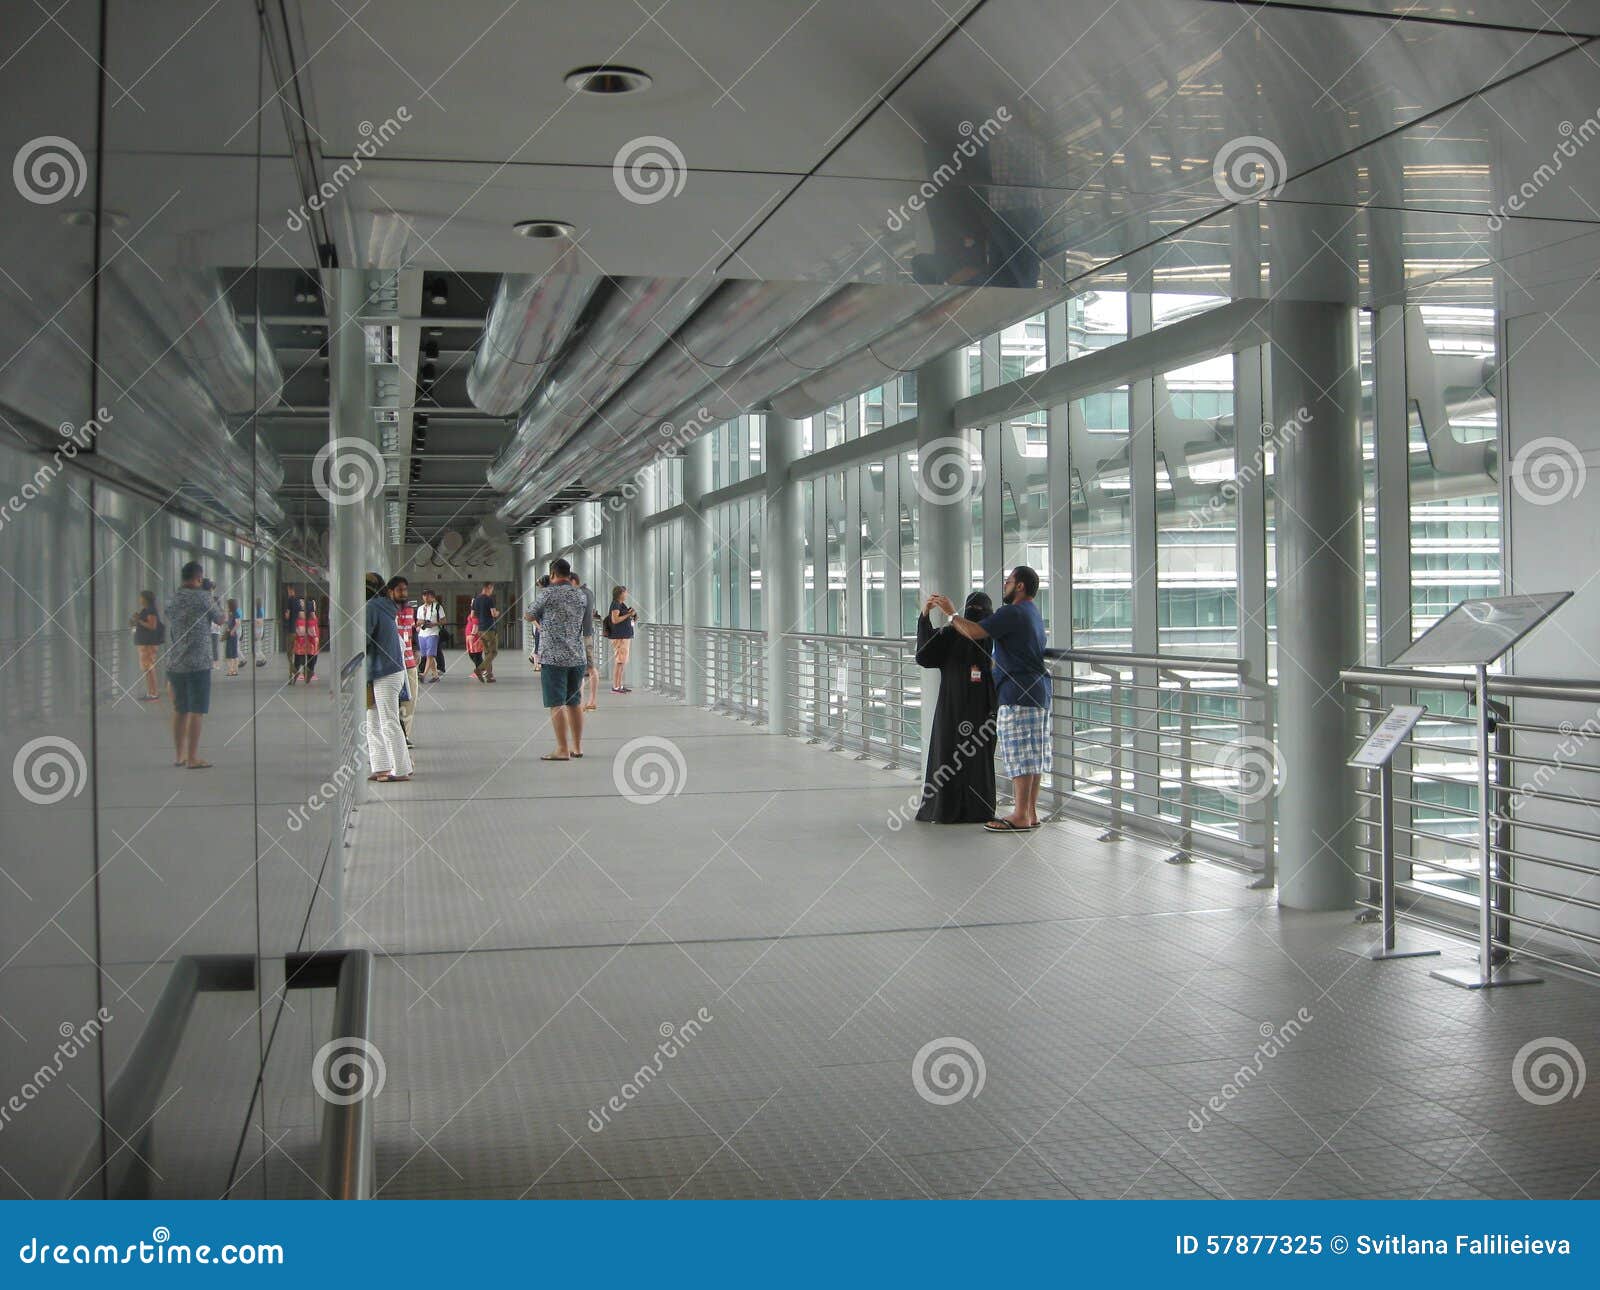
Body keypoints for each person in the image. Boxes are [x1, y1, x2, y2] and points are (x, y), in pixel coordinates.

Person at [935, 565, 1051, 832]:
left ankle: (1020, 814)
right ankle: (1030, 812)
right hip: (1038, 691)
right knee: (1033, 754)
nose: (1005, 586)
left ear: (1020, 586)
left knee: (1019, 753)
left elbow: (974, 632)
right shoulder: (1033, 612)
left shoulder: (1012, 612)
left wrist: (951, 614)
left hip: (1017, 692)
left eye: (1008, 581)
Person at [914, 591, 998, 823]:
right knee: (975, 758)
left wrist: (928, 617)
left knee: (949, 754)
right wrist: (925, 615)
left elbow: (924, 654)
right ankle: (977, 809)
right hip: (980, 707)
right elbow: (924, 655)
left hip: (952, 706)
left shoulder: (968, 633)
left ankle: (945, 808)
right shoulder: (971, 633)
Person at [525, 557, 591, 760]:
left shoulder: (548, 593)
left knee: (556, 703)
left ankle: (562, 749)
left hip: (553, 657)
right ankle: (577, 747)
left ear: (552, 574)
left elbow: (529, 614)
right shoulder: (580, 595)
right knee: (575, 702)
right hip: (577, 655)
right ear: (569, 574)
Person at [164, 561, 225, 768]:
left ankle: (178, 755)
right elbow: (220, 618)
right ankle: (192, 758)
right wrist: (213, 596)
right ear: (199, 578)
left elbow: (170, 615)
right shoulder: (203, 596)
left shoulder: (173, 599)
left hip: (175, 662)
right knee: (196, 710)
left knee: (179, 709)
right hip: (198, 662)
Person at [365, 571, 412, 783]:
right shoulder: (383, 607)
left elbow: (362, 639)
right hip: (383, 670)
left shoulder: (372, 608)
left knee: (388, 721)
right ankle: (381, 766)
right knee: (373, 721)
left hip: (385, 671)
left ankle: (401, 769)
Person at [391, 576, 419, 747]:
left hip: (409, 663)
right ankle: (397, 737)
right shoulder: (388, 610)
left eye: (405, 590)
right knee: (394, 703)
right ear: (391, 591)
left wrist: (416, 648)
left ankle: (405, 736)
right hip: (392, 665)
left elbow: (412, 630)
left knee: (410, 701)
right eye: (399, 590)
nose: (403, 593)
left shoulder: (409, 610)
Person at [570, 568, 600, 712]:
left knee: (582, 668)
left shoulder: (578, 594)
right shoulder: (589, 592)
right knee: (589, 667)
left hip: (580, 635)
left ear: (573, 582)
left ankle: (581, 701)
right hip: (587, 634)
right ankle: (590, 700)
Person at [130, 590, 162, 701]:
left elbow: (152, 626)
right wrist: (137, 620)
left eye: (141, 597)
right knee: (147, 668)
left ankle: (153, 693)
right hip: (145, 642)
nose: (139, 599)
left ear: (145, 599)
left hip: (148, 643)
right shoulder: (146, 610)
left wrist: (139, 620)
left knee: (149, 667)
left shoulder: (150, 610)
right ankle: (150, 692)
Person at [607, 585, 638, 694]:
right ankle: (616, 686)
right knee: (619, 661)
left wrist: (632, 615)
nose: (626, 594)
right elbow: (615, 620)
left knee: (622, 662)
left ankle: (619, 685)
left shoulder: (621, 604)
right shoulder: (616, 604)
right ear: (620, 594)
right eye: (625, 592)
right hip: (620, 636)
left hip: (624, 635)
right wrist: (629, 614)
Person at [470, 580, 500, 682]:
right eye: (492, 589)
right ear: (489, 587)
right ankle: (479, 669)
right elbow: (493, 614)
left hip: (480, 629)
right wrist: (497, 613)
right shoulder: (489, 599)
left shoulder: (476, 600)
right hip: (490, 629)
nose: (492, 591)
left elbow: (472, 615)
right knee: (494, 652)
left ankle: (489, 676)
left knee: (487, 653)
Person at [416, 588, 444, 683]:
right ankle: (436, 676)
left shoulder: (438, 607)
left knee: (430, 654)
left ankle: (423, 674)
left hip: (433, 633)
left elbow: (444, 620)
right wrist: (423, 622)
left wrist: (434, 624)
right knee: (426, 655)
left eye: (428, 595)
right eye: (424, 595)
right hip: (422, 634)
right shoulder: (420, 608)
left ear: (433, 597)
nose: (425, 597)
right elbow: (418, 621)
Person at [526, 575, 549, 672]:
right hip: (539, 625)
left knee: (538, 644)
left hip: (540, 626)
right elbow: (528, 615)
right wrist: (539, 627)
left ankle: (537, 662)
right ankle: (537, 664)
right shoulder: (541, 599)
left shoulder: (541, 598)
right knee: (537, 643)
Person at [282, 583, 305, 677]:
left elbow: (287, 615)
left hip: (291, 630)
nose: (288, 592)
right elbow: (301, 616)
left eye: (288, 590)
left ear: (291, 590)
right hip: (298, 630)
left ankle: (294, 671)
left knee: (289, 653)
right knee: (296, 652)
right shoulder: (298, 601)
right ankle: (292, 673)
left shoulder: (289, 600)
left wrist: (286, 615)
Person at [224, 598, 241, 676]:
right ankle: (232, 669)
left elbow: (238, 623)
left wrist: (232, 631)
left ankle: (233, 670)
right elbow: (227, 622)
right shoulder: (230, 613)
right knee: (230, 653)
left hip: (232, 635)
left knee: (232, 653)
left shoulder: (236, 613)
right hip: (229, 634)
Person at [464, 610, 482, 678]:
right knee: (472, 654)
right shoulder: (472, 614)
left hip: (474, 637)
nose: (471, 604)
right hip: (469, 637)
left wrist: (472, 634)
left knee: (476, 655)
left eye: (473, 603)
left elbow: (476, 626)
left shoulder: (476, 615)